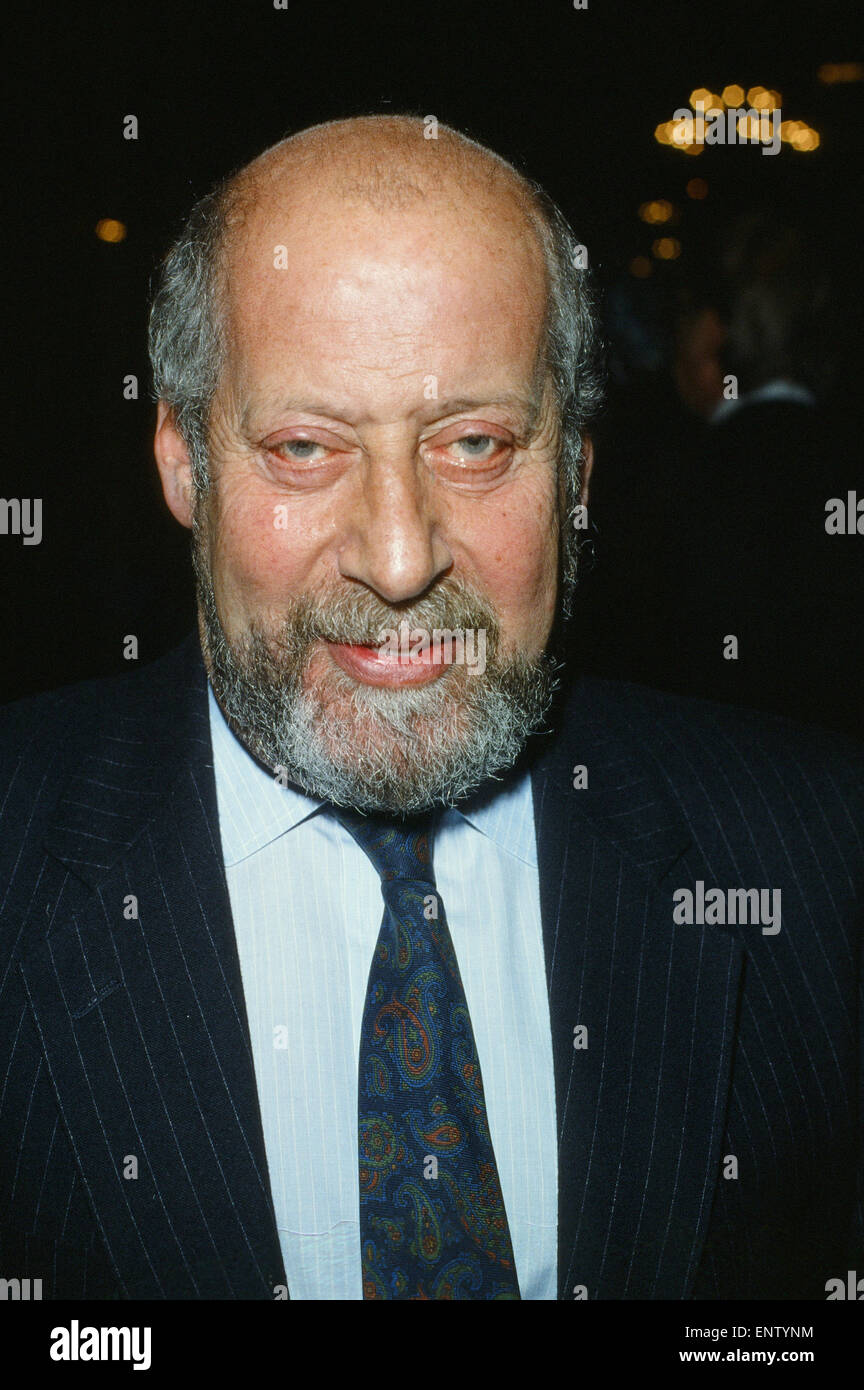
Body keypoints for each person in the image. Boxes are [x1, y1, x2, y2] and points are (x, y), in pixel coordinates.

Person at [0, 116, 861, 1301]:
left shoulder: (822, 866)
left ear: (578, 471)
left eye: (475, 442)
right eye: (306, 446)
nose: (400, 558)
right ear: (183, 461)